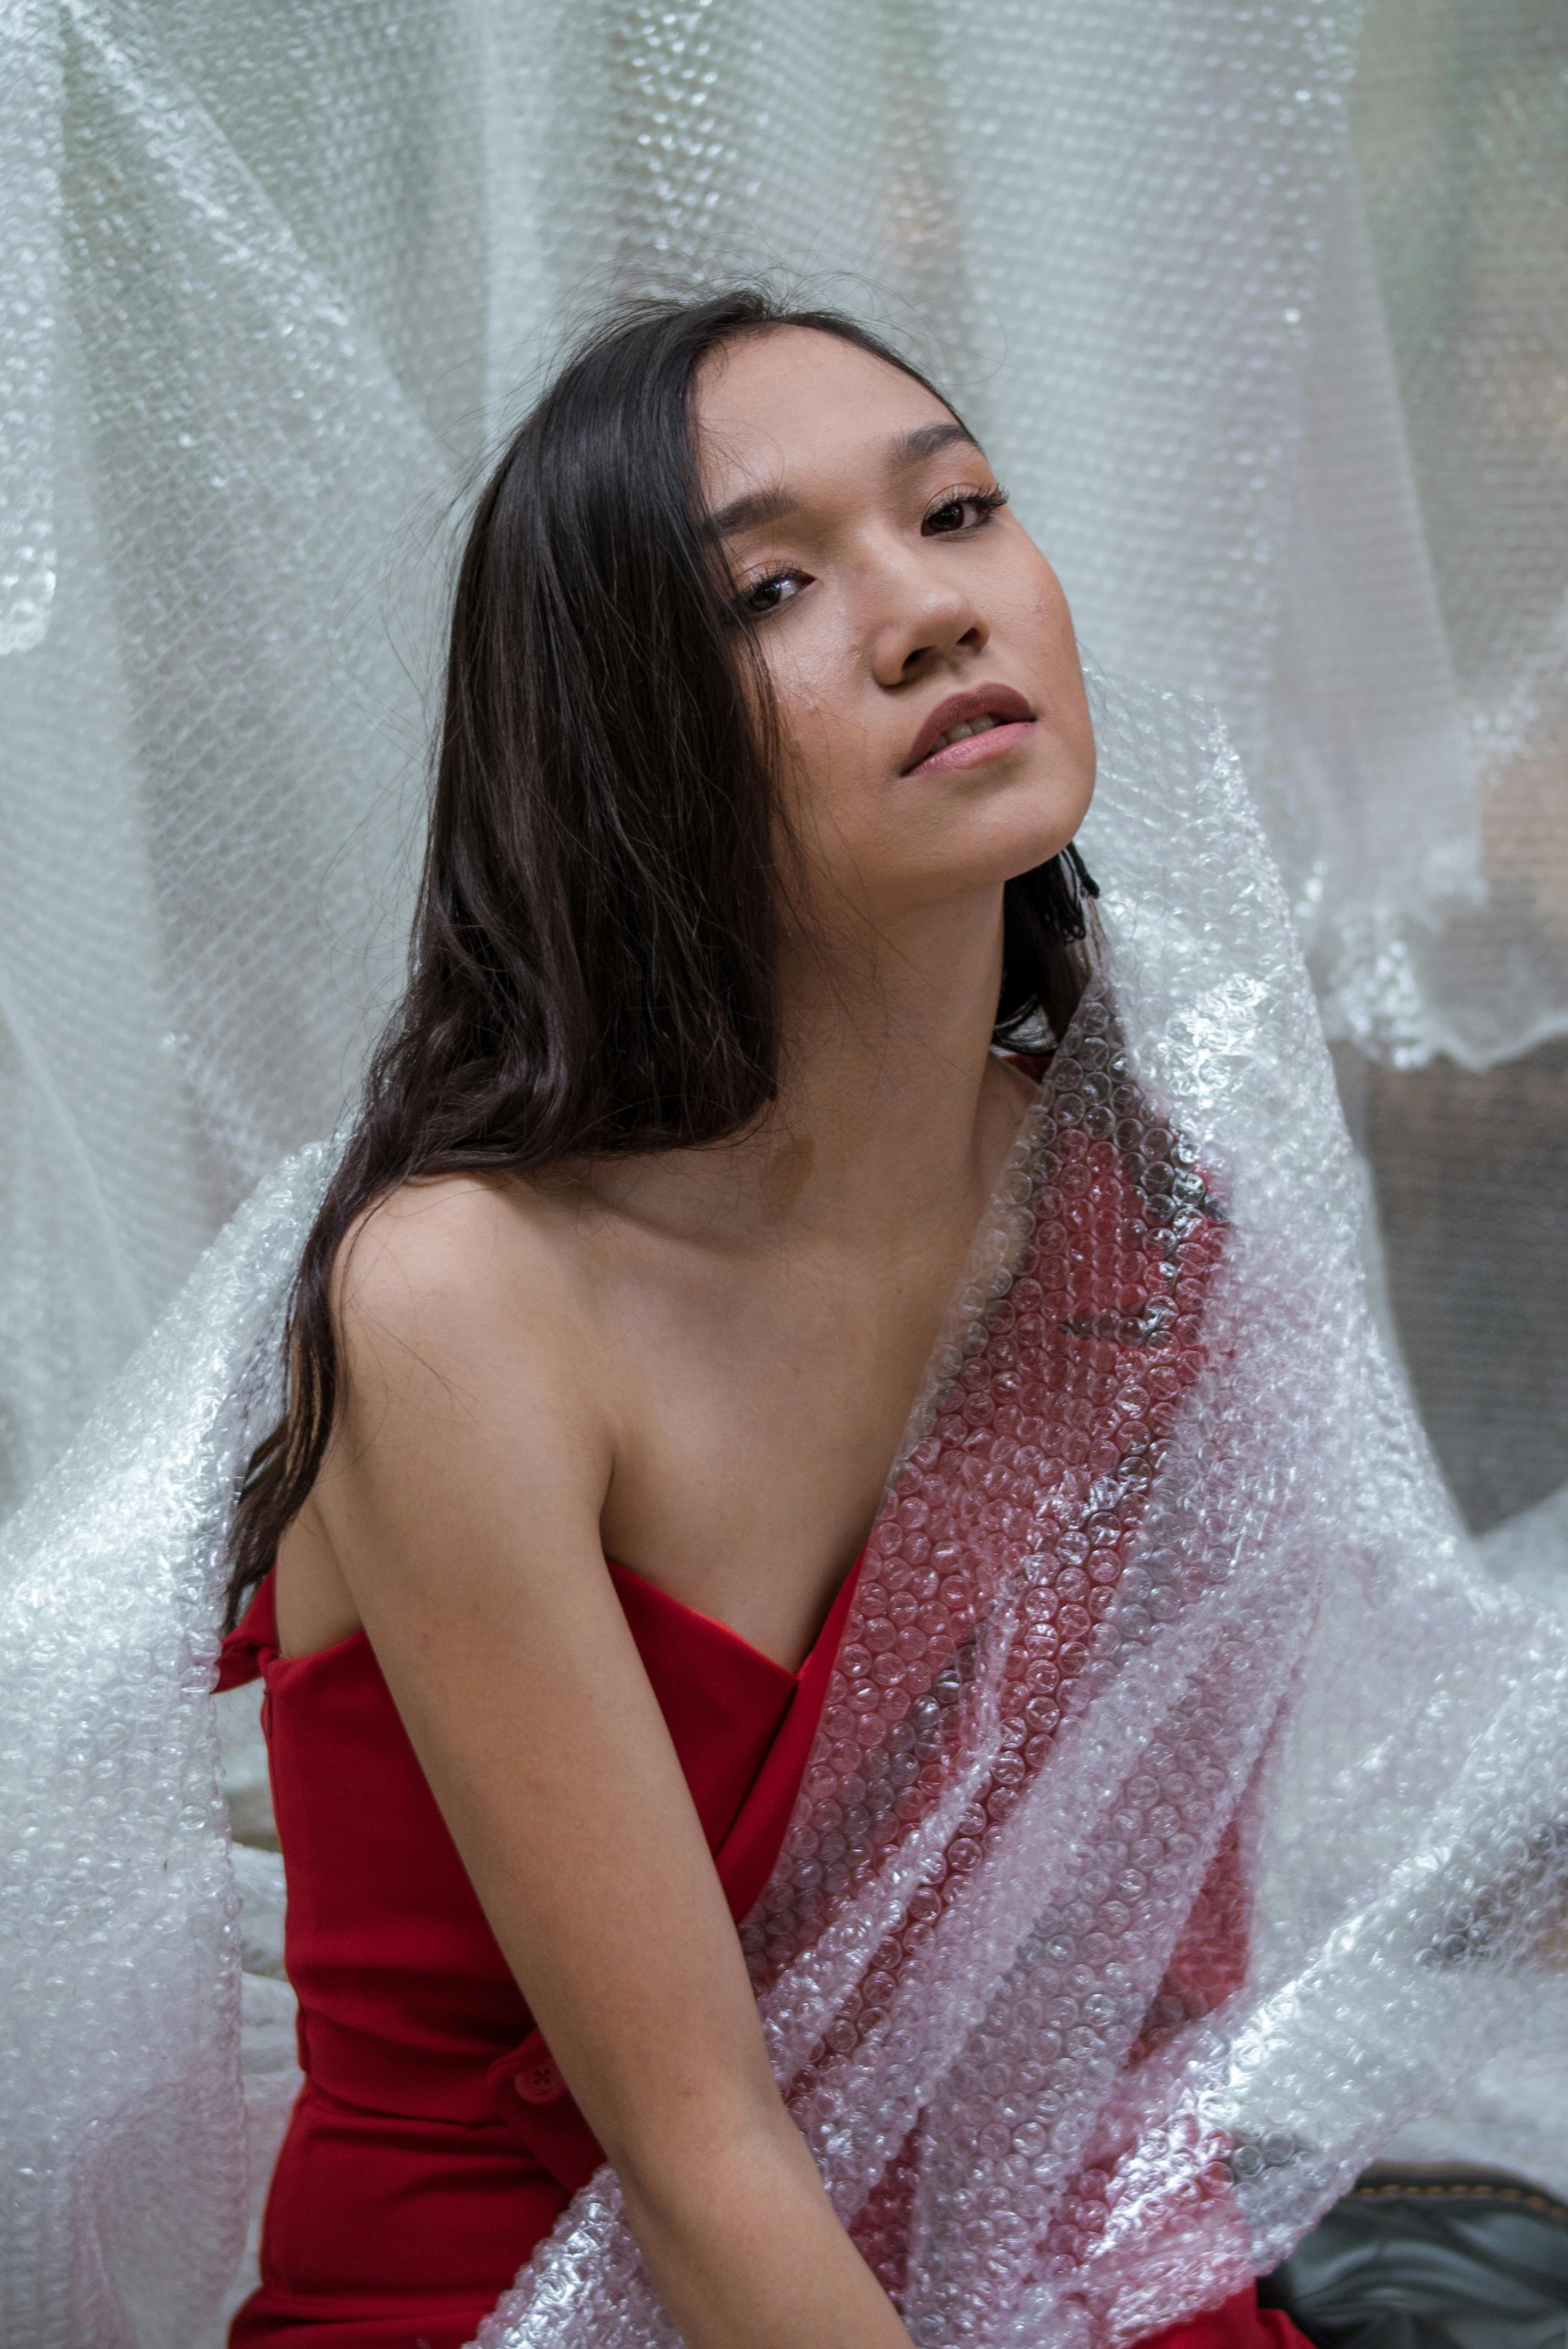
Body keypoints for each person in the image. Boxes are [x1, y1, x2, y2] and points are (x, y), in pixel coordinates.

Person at [213, 290, 1309, 2347]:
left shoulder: (1150, 1239)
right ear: (620, 738)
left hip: (1032, 2266)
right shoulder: (467, 1297)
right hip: (543, 2294)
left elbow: (1135, 2028)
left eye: (959, 512)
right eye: (773, 589)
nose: (923, 613)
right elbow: (695, 2151)